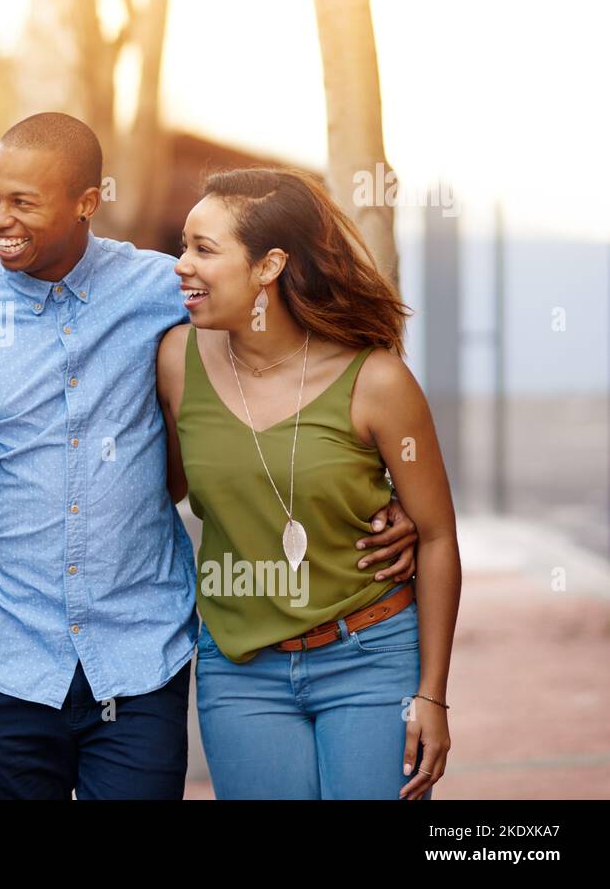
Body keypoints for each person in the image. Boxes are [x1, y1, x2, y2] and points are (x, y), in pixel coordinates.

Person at [0, 113, 419, 799]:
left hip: (142, 659)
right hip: (4, 666)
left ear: (87, 202)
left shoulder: (165, 290)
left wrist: (388, 491)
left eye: (22, 201)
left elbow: (292, 343)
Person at [158, 167, 460, 799]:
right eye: (184, 246)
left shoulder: (377, 381)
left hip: (370, 657)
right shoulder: (176, 361)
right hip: (240, 671)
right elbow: (160, 487)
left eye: (204, 249)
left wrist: (432, 694)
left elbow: (436, 538)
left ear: (269, 266)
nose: (181, 265)